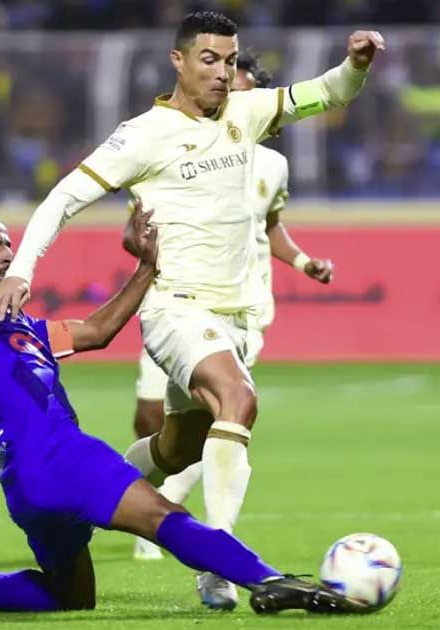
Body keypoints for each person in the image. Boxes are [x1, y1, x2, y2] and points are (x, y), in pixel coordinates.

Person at [0, 211, 362, 616]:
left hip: (25, 485)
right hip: (62, 457)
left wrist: (146, 268)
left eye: (9, 245)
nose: (8, 253)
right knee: (166, 518)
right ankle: (272, 581)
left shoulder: (21, 326)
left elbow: (98, 331)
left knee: (71, 597)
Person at [0, 10, 381, 608]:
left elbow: (326, 93)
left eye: (230, 60)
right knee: (239, 399)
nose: (223, 72)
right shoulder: (143, 135)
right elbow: (63, 199)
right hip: (176, 307)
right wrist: (22, 269)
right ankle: (220, 560)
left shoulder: (247, 112)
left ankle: (94, 491)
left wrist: (355, 64)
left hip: (235, 315)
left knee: (176, 450)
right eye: (209, 59)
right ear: (178, 60)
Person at [129, 51, 336, 567]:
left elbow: (271, 227)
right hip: (174, 303)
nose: (229, 96)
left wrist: (304, 261)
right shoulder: (177, 149)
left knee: (223, 411)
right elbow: (140, 223)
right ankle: (119, 497)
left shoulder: (272, 165)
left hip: (240, 311)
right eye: (224, 87)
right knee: (152, 420)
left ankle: (188, 533)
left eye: (241, 91)